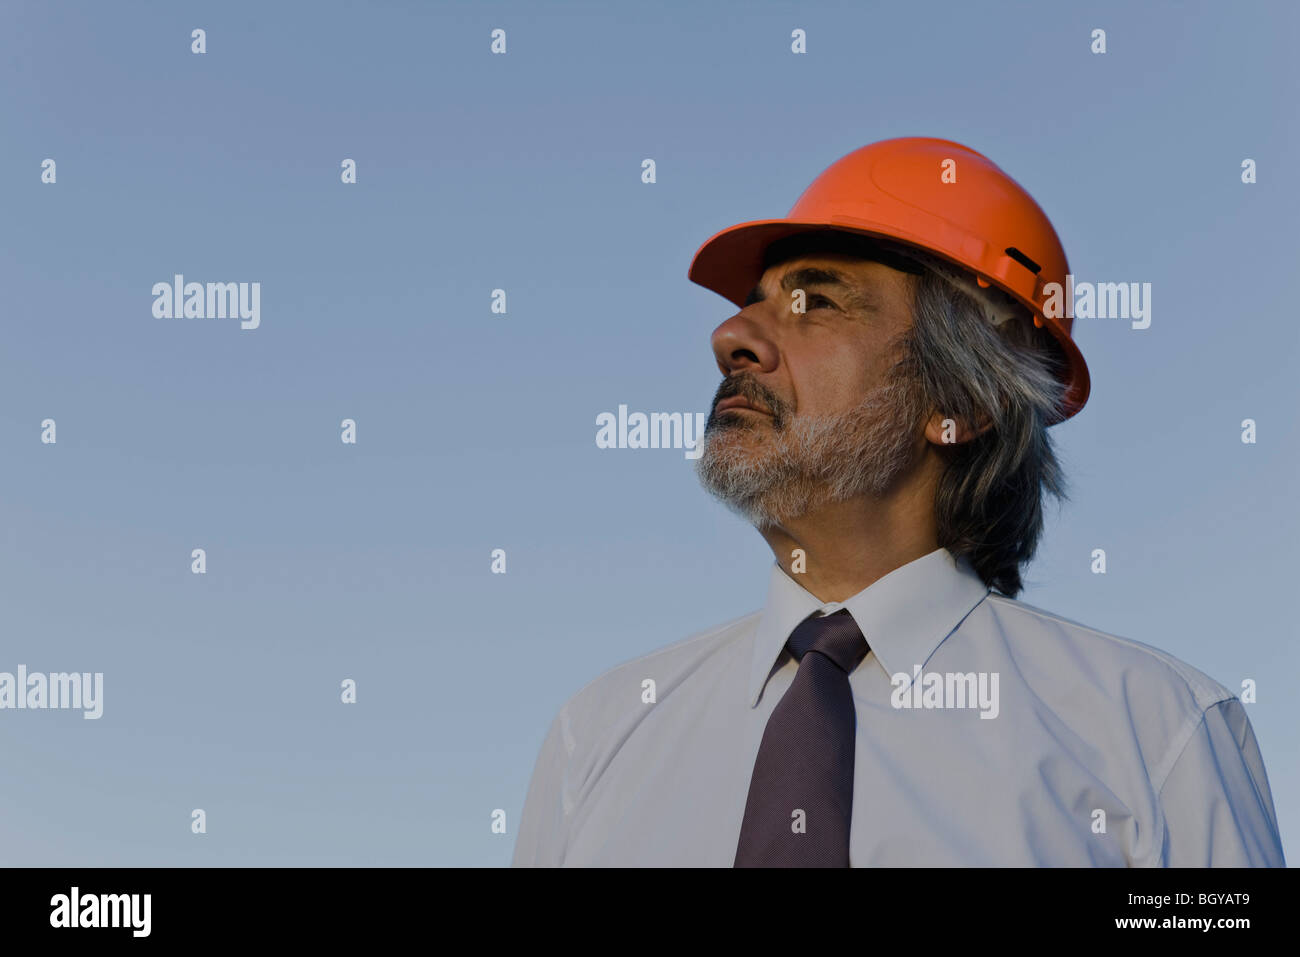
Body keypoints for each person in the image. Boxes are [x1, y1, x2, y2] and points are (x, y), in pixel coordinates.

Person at [511, 138, 1286, 867]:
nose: (731, 334)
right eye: (757, 300)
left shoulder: (1158, 736)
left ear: (962, 397)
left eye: (816, 301)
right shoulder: (600, 734)